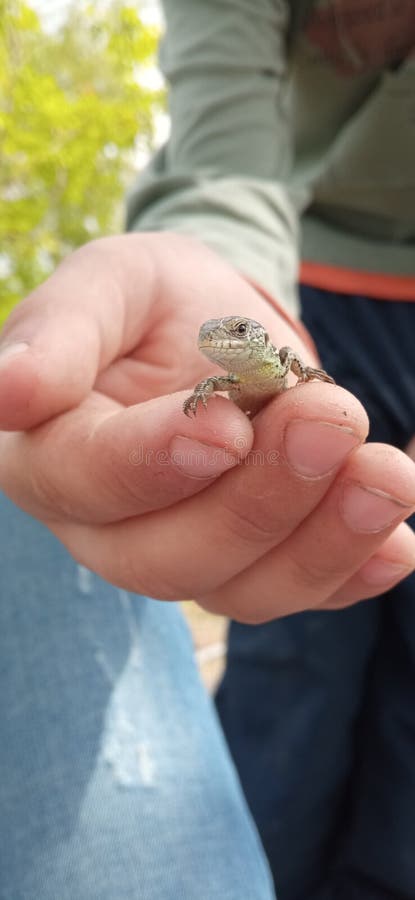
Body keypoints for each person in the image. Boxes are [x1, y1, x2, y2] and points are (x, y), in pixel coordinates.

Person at [0, 1, 414, 897]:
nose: (223, 347)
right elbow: (223, 152)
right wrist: (229, 298)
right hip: (304, 274)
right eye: (220, 340)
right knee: (298, 643)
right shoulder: (250, 360)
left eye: (232, 340)